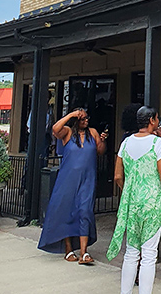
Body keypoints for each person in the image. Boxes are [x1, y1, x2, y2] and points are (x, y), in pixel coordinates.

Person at [107, 106, 161, 294]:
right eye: (157, 119)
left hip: (132, 203)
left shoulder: (126, 143)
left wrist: (128, 190)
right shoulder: (158, 144)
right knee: (149, 254)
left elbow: (118, 176)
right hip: (153, 203)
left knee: (131, 252)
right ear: (152, 120)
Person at [38, 107, 108, 264]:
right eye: (82, 118)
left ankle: (84, 252)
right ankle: (68, 249)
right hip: (68, 179)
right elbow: (55, 129)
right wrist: (71, 114)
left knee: (85, 211)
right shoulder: (68, 132)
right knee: (67, 211)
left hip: (87, 179)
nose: (85, 120)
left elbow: (101, 151)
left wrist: (102, 140)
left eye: (86, 118)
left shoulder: (93, 132)